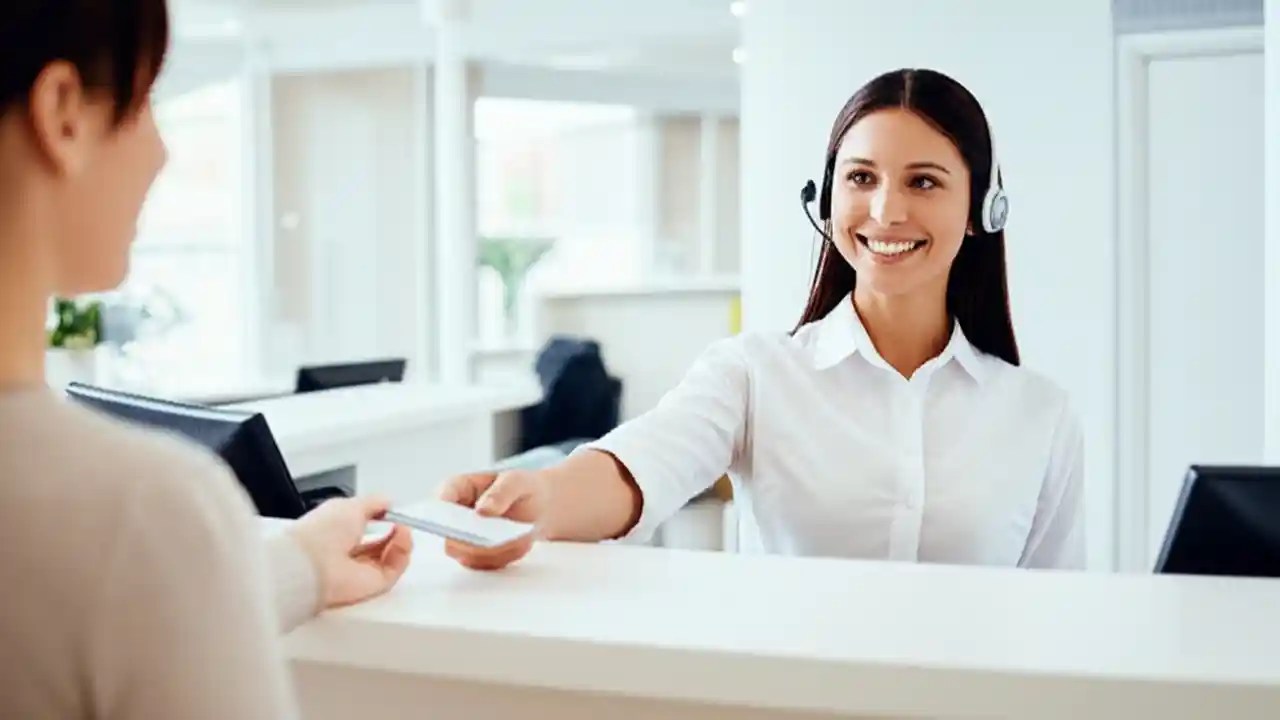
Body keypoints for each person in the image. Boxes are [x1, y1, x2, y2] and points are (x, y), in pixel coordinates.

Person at [439, 67, 1085, 572]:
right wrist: (542, 500)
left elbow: (1052, 617)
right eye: (861, 178)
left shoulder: (1039, 415)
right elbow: (644, 462)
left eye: (923, 182)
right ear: (826, 200)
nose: (886, 211)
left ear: (982, 210)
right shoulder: (753, 374)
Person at [0, 1, 414, 718]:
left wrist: (300, 565)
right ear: (63, 113)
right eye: (148, 99)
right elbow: (122, 569)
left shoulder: (134, 531)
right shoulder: (141, 513)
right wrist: (199, 551)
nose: (161, 152)